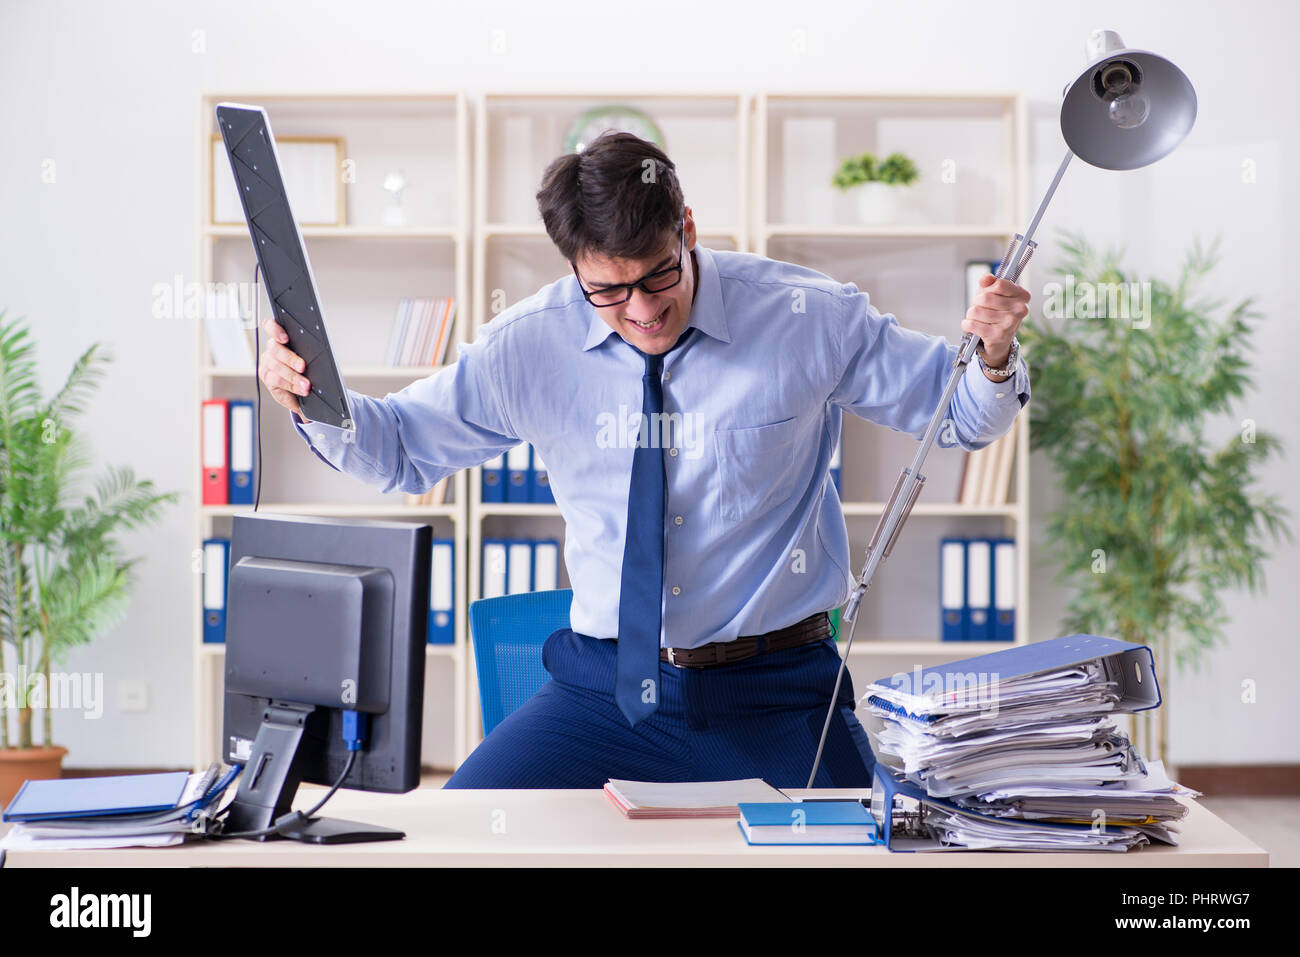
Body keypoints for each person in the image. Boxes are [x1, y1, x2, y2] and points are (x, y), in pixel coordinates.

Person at [258, 131, 1031, 789]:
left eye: (659, 272)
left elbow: (957, 414)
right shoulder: (528, 348)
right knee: (464, 837)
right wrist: (312, 393)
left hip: (777, 693)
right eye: (608, 290)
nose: (643, 308)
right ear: (573, 270)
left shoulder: (808, 317)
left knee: (873, 856)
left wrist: (993, 356)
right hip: (603, 696)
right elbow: (398, 448)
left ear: (687, 227)